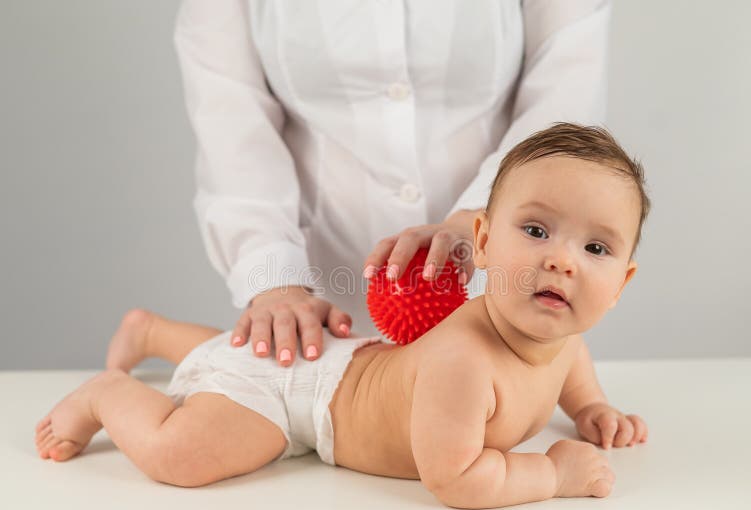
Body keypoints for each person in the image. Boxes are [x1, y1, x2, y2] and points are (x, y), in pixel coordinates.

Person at [37, 124, 649, 509]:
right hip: (298, 406)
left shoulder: (557, 333)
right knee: (186, 455)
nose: (561, 262)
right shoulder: (463, 362)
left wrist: (589, 406)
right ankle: (108, 394)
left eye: (596, 248)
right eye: (536, 230)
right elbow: (457, 478)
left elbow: (570, 360)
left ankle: (152, 331)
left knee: (243, 349)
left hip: (340, 361)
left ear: (620, 282)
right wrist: (551, 474)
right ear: (482, 241)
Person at [173, 0, 612, 366]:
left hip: (493, 282)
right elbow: (230, 123)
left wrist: (479, 216)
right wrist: (275, 282)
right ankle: (151, 333)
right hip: (320, 310)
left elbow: (566, 90)